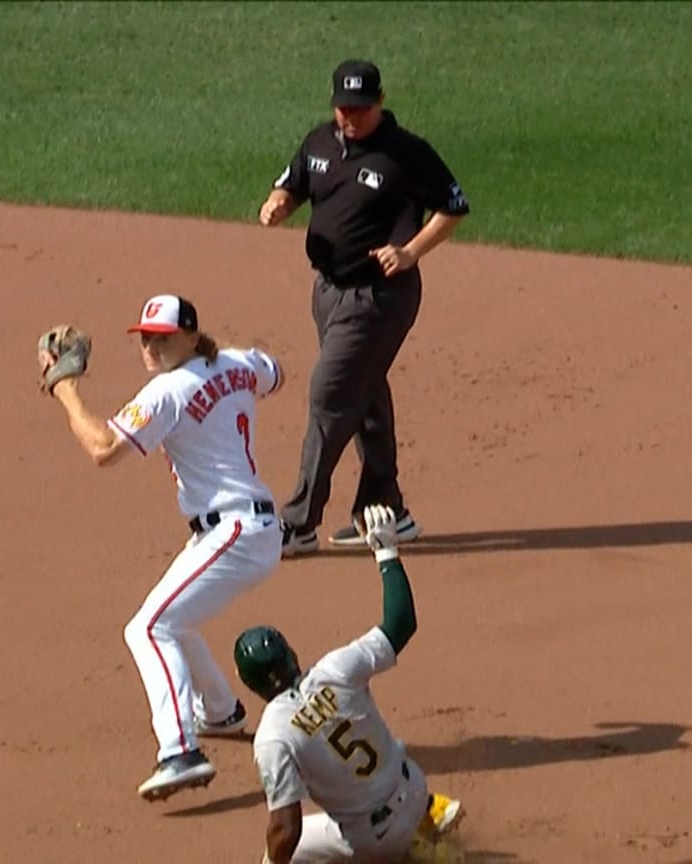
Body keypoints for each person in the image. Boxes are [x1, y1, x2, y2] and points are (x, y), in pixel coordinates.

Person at [38, 294, 287, 802]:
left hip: (235, 534)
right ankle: (219, 710)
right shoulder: (236, 362)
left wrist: (64, 388)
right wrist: (226, 367)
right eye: (145, 337)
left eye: (163, 337)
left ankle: (179, 750)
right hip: (245, 530)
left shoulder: (166, 391)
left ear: (191, 336)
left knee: (149, 627)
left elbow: (102, 450)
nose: (150, 346)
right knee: (173, 617)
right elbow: (274, 371)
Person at [258, 59, 470, 557]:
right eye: (343, 108)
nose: (350, 117)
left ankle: (298, 523)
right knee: (364, 392)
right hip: (328, 292)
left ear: (380, 102)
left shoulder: (407, 153)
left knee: (330, 393)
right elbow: (292, 185)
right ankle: (387, 508)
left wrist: (411, 251)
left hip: (380, 297)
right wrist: (279, 205)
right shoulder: (320, 142)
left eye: (361, 108)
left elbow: (453, 206)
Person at [233, 505, 466, 863]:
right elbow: (401, 623)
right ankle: (424, 829)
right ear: (291, 655)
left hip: (375, 837)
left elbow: (286, 827)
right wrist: (387, 550)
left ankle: (408, 851)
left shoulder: (273, 735)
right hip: (416, 792)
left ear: (247, 683)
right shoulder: (337, 669)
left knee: (277, 852)